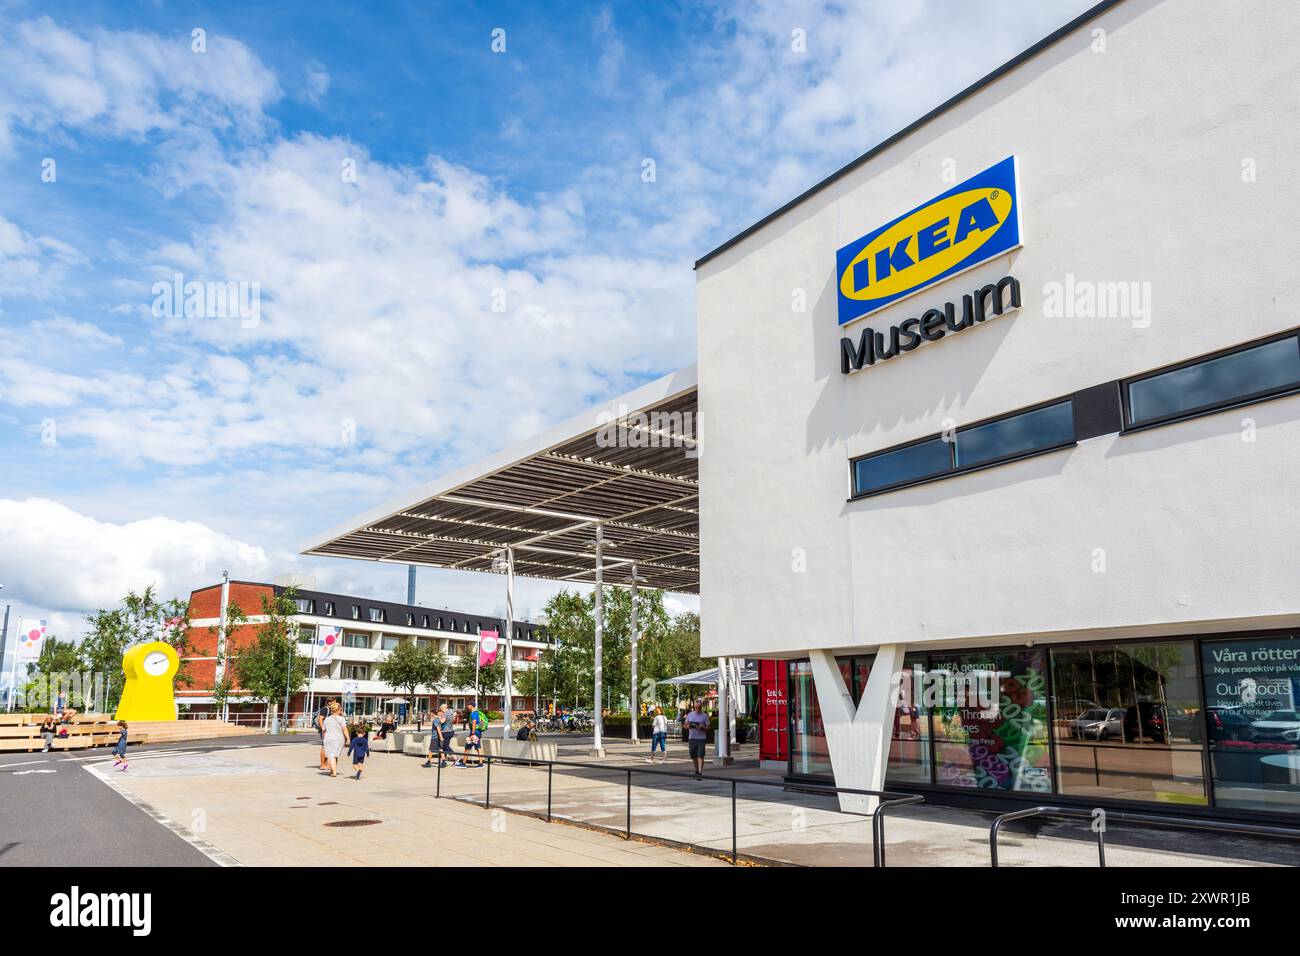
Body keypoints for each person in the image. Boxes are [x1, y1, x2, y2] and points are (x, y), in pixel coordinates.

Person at [321, 702, 349, 777]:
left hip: (329, 739)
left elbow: (323, 730)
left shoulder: (327, 719)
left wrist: (323, 738)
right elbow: (344, 729)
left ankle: (334, 771)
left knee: (332, 755)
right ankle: (333, 770)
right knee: (335, 755)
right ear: (338, 710)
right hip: (339, 739)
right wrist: (348, 738)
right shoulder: (342, 719)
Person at [684, 700, 709, 778]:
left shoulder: (704, 716)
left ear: (701, 707)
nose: (697, 709)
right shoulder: (690, 715)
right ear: (694, 707)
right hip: (692, 738)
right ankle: (697, 770)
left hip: (701, 738)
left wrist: (702, 727)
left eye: (699, 708)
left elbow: (708, 727)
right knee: (693, 756)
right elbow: (685, 725)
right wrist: (688, 726)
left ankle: (700, 773)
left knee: (700, 756)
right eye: (696, 708)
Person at [314, 699, 332, 771]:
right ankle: (322, 764)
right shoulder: (325, 709)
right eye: (333, 701)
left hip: (328, 730)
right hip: (325, 730)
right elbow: (320, 719)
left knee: (328, 747)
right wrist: (323, 729)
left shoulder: (330, 709)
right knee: (324, 746)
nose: (334, 703)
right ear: (329, 702)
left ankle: (326, 763)